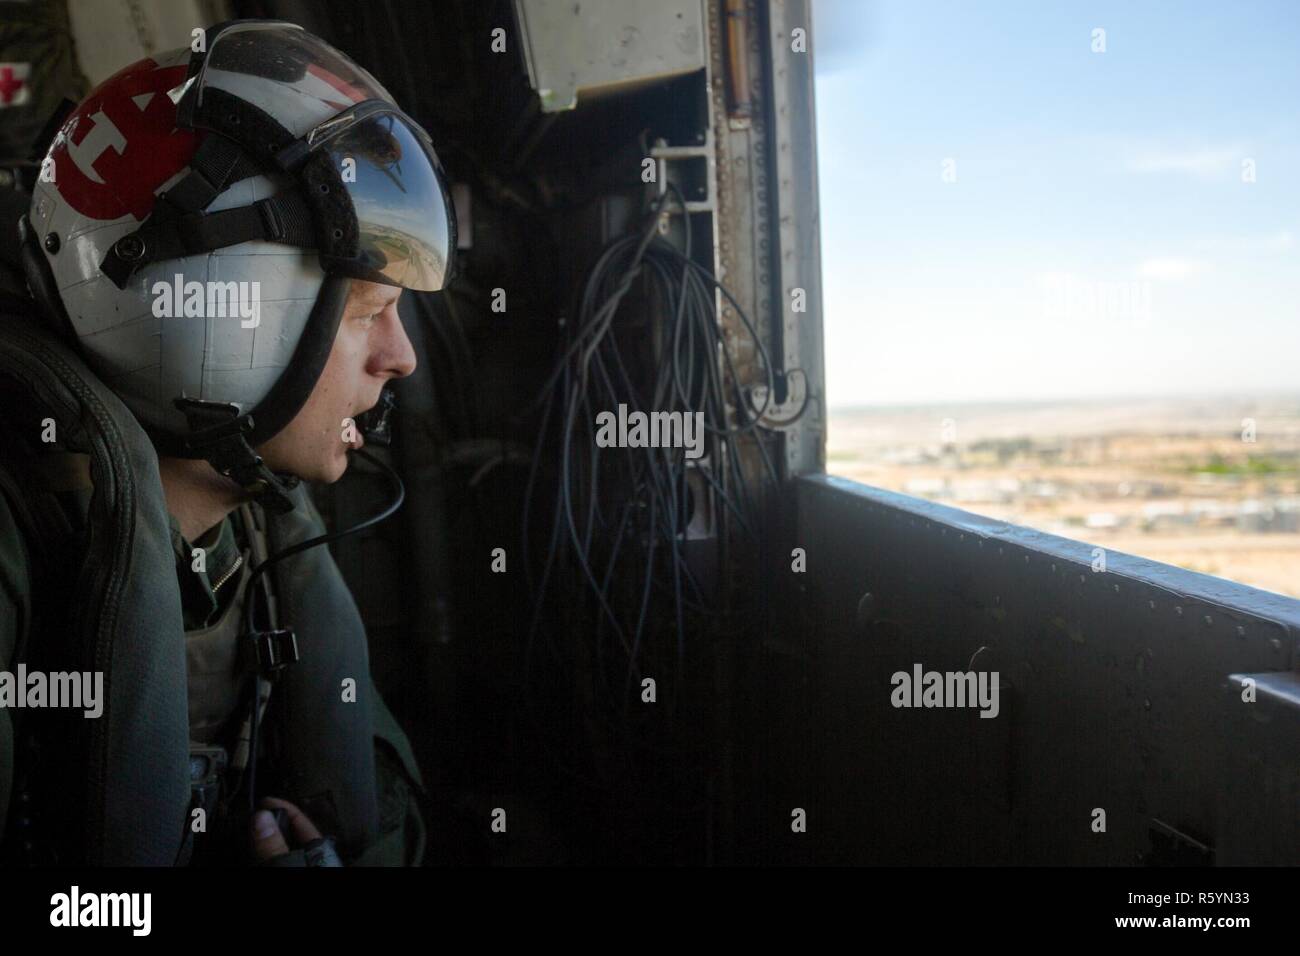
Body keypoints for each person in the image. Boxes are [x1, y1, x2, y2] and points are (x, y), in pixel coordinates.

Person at [0, 19, 456, 866]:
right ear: (216, 319)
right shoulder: (19, 557)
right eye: (365, 315)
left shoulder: (259, 534)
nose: (402, 358)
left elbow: (386, 811)